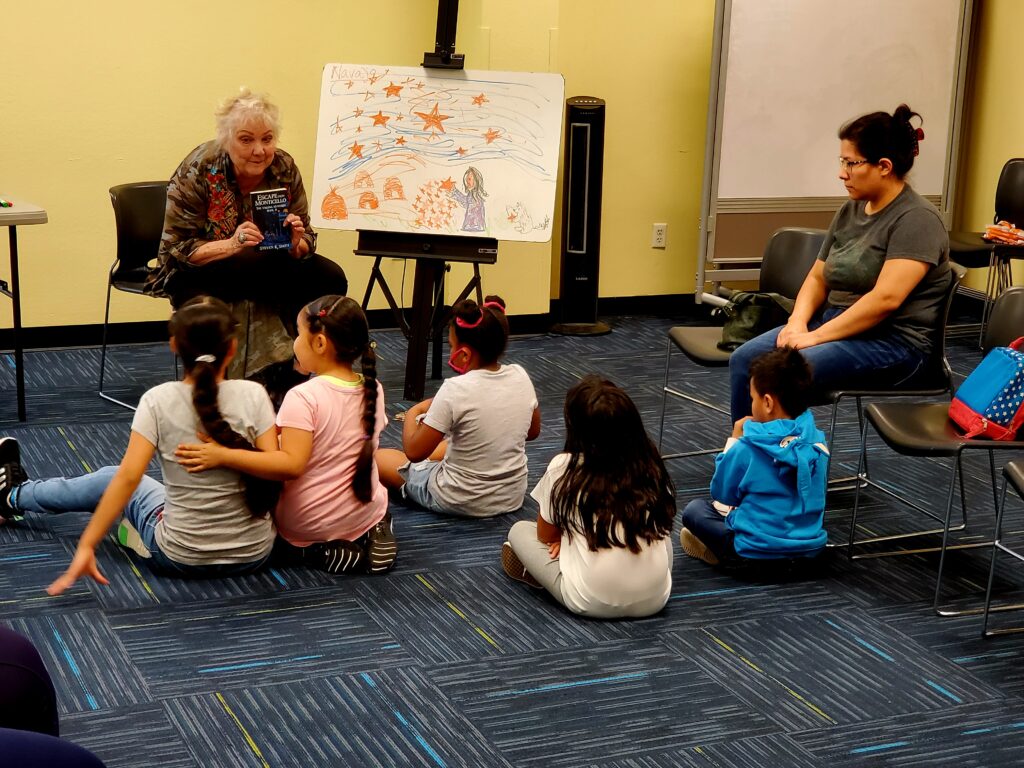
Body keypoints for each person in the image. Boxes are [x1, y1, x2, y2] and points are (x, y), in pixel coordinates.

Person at [0, 297, 279, 594]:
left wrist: (87, 543)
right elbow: (276, 467)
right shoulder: (254, 394)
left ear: (173, 345)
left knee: (111, 477)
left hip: (179, 557)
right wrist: (228, 456)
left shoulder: (157, 400)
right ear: (232, 347)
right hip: (255, 554)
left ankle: (12, 495)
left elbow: (126, 480)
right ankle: (130, 532)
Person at [728, 104, 951, 421]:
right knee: (744, 360)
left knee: (782, 376)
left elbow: (885, 299)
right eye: (841, 161)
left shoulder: (918, 219)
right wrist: (797, 323)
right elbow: (818, 277)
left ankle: (777, 463)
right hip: (835, 323)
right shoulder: (851, 209)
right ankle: (743, 455)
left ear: (883, 166)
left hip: (894, 344)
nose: (841, 172)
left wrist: (813, 338)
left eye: (851, 163)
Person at [175, 295, 396, 575]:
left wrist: (225, 454)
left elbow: (290, 466)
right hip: (362, 509)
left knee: (263, 502)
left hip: (305, 523)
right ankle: (373, 526)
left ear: (319, 343)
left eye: (298, 333)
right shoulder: (373, 387)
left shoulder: (303, 396)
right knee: (376, 490)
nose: (294, 342)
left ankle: (313, 552)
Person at [145, 87, 349, 390]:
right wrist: (232, 243)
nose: (259, 150)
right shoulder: (199, 169)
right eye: (246, 139)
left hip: (263, 263)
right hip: (202, 267)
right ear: (227, 139)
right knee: (208, 293)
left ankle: (297, 371)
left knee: (329, 277)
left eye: (267, 139)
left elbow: (306, 236)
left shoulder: (283, 167)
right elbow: (176, 249)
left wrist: (296, 242)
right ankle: (212, 385)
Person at [501, 376, 676, 618]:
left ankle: (552, 571)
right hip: (656, 599)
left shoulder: (564, 467)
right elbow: (664, 519)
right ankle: (644, 575)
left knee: (519, 531)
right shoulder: (650, 462)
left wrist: (566, 535)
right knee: (657, 532)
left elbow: (545, 534)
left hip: (590, 601)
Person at [376, 296, 541, 517]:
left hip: (457, 498)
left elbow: (414, 452)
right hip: (512, 495)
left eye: (451, 346)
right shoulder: (520, 375)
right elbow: (532, 432)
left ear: (463, 354)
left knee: (378, 458)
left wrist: (413, 412)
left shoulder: (455, 389)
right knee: (451, 444)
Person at [681, 347, 829, 566]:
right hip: (811, 555)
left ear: (767, 403)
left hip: (754, 558)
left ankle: (719, 552)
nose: (751, 404)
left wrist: (734, 440)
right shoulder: (818, 440)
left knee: (694, 511)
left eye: (753, 398)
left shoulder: (747, 446)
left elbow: (722, 493)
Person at [450, 167, 487, 231]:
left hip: (474, 227)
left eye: (469, 179)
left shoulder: (475, 195)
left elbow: (466, 203)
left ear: (476, 180)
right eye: (466, 180)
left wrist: (455, 192)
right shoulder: (472, 194)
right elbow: (467, 202)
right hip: (474, 226)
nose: (467, 182)